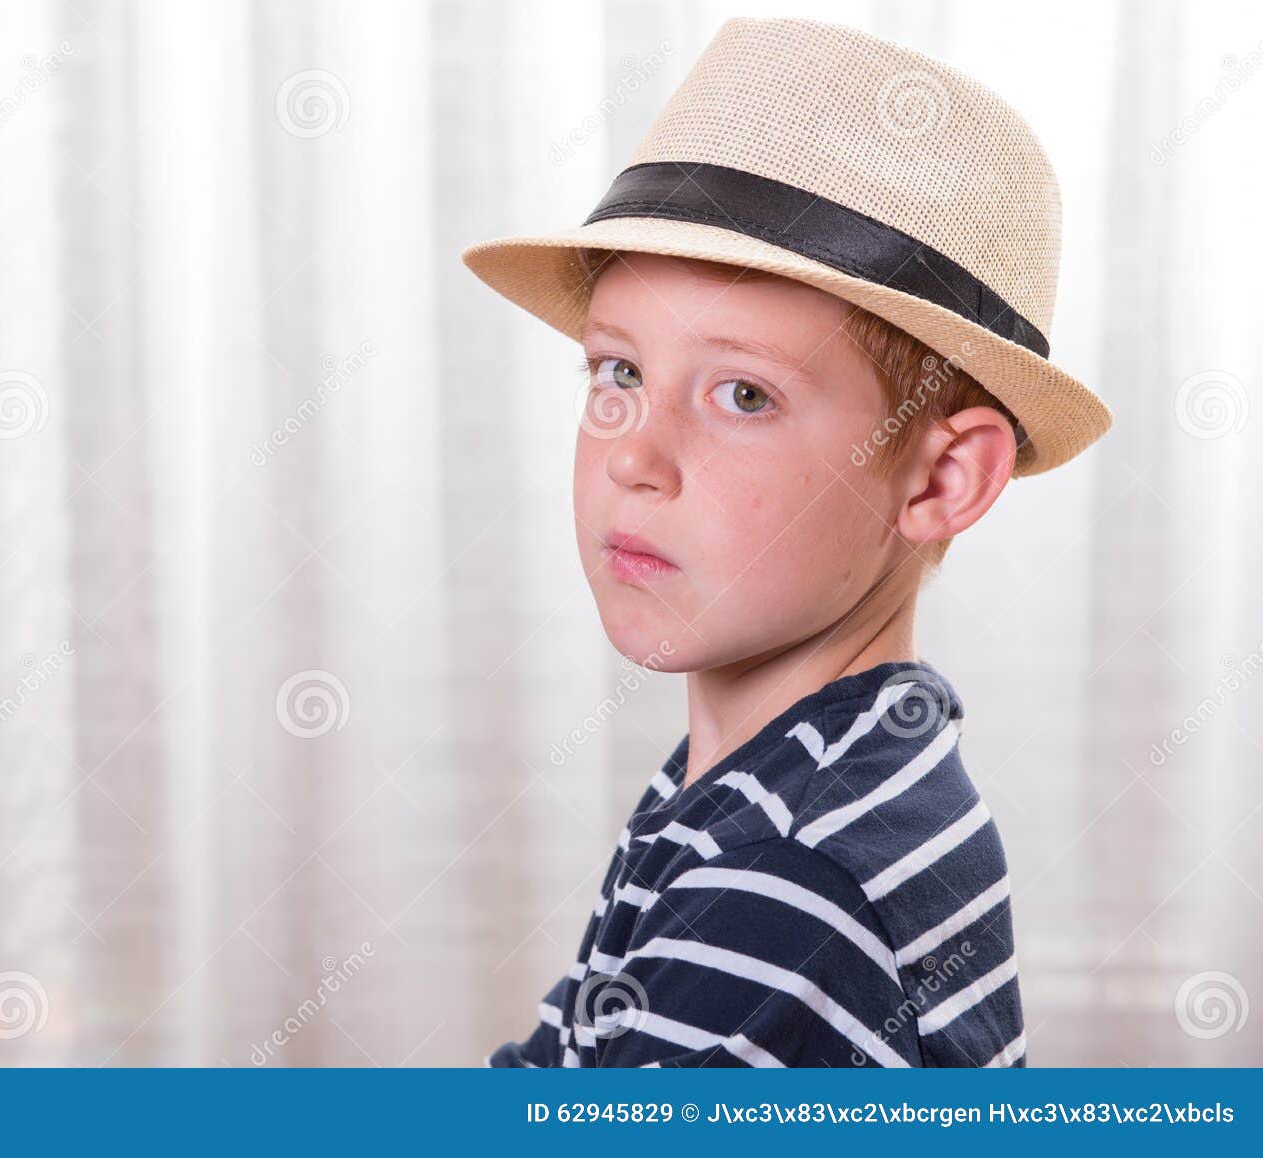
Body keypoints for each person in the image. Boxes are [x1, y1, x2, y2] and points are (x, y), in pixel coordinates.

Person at [460, 17, 1111, 1067]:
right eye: (617, 372)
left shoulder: (795, 884)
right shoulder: (787, 778)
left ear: (941, 477)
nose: (637, 455)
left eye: (743, 393)